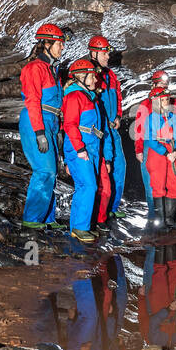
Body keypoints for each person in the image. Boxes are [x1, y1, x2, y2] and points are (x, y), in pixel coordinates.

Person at [18, 22, 65, 229]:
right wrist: (39, 132)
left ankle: (47, 217)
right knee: (44, 171)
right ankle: (31, 220)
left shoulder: (52, 70)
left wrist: (58, 130)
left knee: (52, 172)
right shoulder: (34, 68)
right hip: (36, 121)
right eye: (59, 44)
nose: (62, 48)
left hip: (51, 122)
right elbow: (33, 101)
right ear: (46, 44)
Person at [61, 58, 112, 243]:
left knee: (86, 187)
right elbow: (70, 125)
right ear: (82, 77)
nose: (96, 80)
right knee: (88, 186)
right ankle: (80, 228)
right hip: (79, 148)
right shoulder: (74, 97)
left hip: (90, 148)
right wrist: (79, 148)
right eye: (92, 76)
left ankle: (79, 227)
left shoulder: (89, 97)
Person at [89, 35, 128, 219]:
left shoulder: (111, 75)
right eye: (104, 54)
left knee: (120, 166)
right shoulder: (90, 74)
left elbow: (118, 98)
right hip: (100, 130)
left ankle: (112, 207)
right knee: (104, 169)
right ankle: (99, 211)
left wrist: (119, 116)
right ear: (94, 53)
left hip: (113, 129)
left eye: (107, 54)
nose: (107, 57)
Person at [132, 70, 176, 205]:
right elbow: (139, 129)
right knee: (153, 184)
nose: (163, 88)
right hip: (151, 146)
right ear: (153, 85)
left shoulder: (173, 102)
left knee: (174, 181)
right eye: (160, 84)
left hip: (171, 145)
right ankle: (154, 219)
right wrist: (139, 149)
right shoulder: (146, 104)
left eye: (165, 85)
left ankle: (172, 219)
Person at [144, 87, 176, 229]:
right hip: (157, 154)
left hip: (171, 151)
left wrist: (175, 151)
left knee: (174, 184)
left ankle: (169, 219)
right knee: (158, 185)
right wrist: (165, 152)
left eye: (168, 99)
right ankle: (160, 221)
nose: (167, 102)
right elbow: (150, 139)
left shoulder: (173, 117)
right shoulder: (150, 118)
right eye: (164, 100)